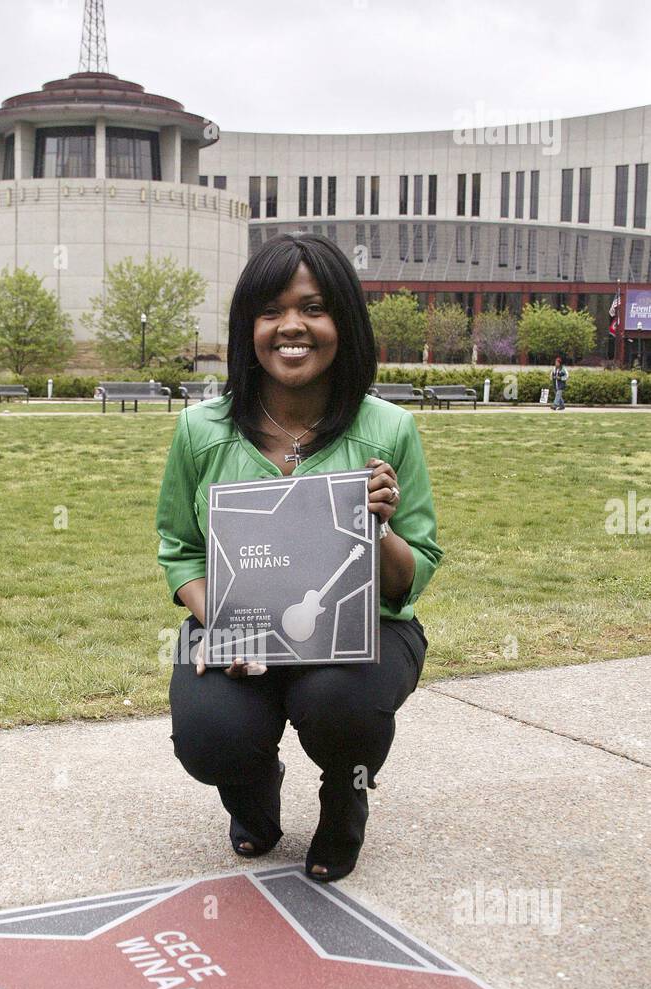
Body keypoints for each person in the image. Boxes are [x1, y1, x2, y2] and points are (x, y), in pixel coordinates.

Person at [155, 234, 443, 883]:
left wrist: (383, 527)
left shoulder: (389, 430)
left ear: (343, 321)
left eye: (313, 307)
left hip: (366, 626)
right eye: (271, 310)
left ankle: (344, 800)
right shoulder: (201, 432)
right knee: (208, 730)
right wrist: (222, 623)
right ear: (247, 327)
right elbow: (178, 551)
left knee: (341, 704)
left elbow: (409, 579)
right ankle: (253, 792)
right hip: (243, 620)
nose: (292, 326)